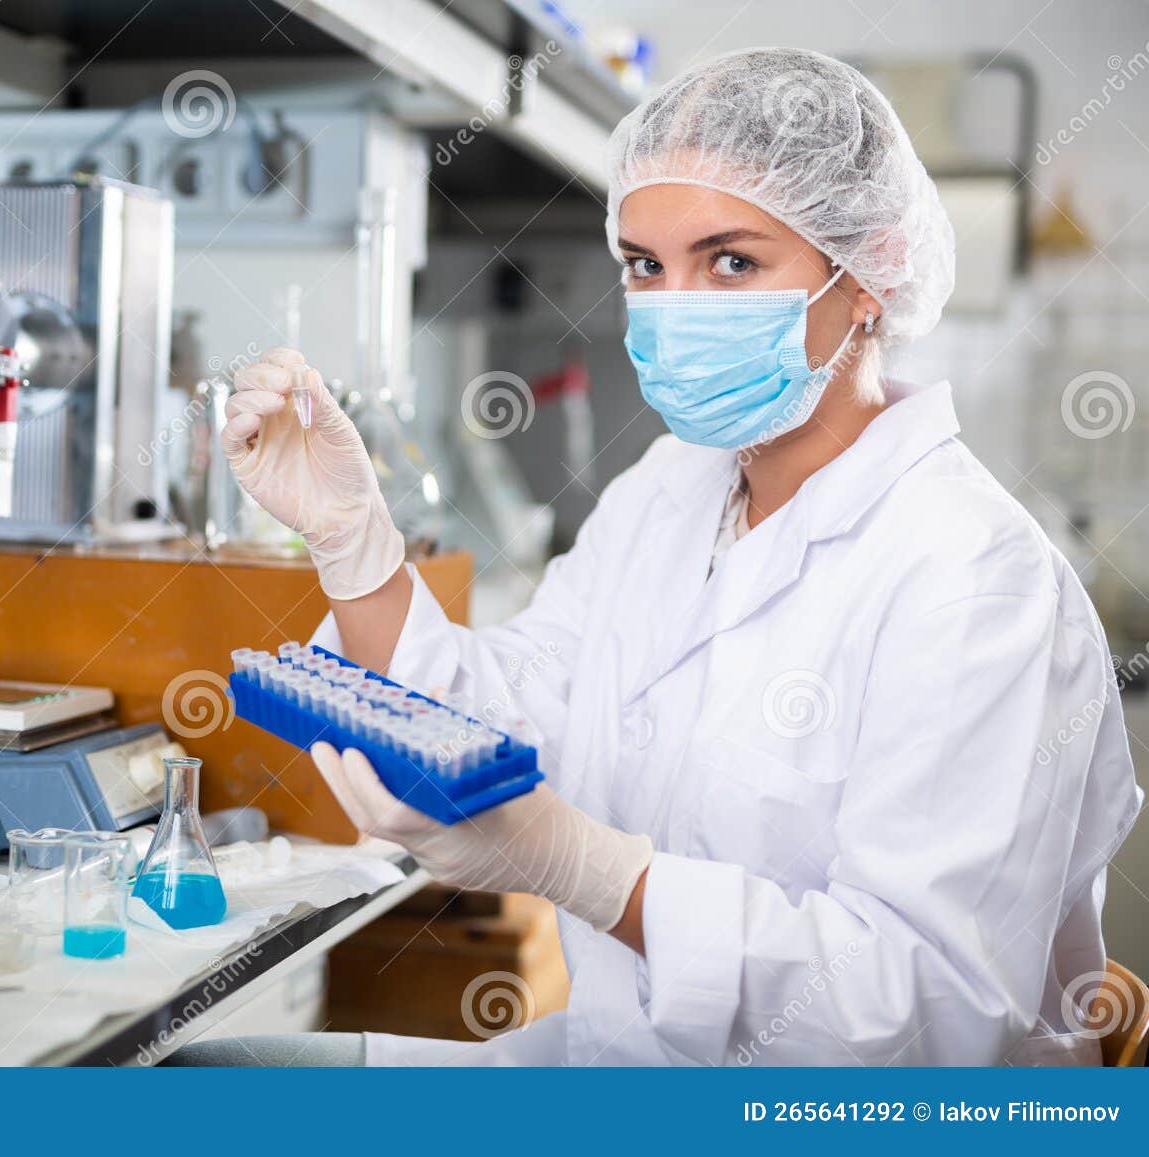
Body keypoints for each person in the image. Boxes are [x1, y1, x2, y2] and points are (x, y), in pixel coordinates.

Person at [186, 47, 1143, 1066]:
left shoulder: (975, 583)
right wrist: (353, 540)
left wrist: (592, 870)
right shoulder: (668, 490)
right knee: (195, 1076)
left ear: (867, 271)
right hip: (611, 1065)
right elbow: (500, 711)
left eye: (730, 261)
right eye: (645, 264)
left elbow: (926, 1016)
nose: (672, 305)